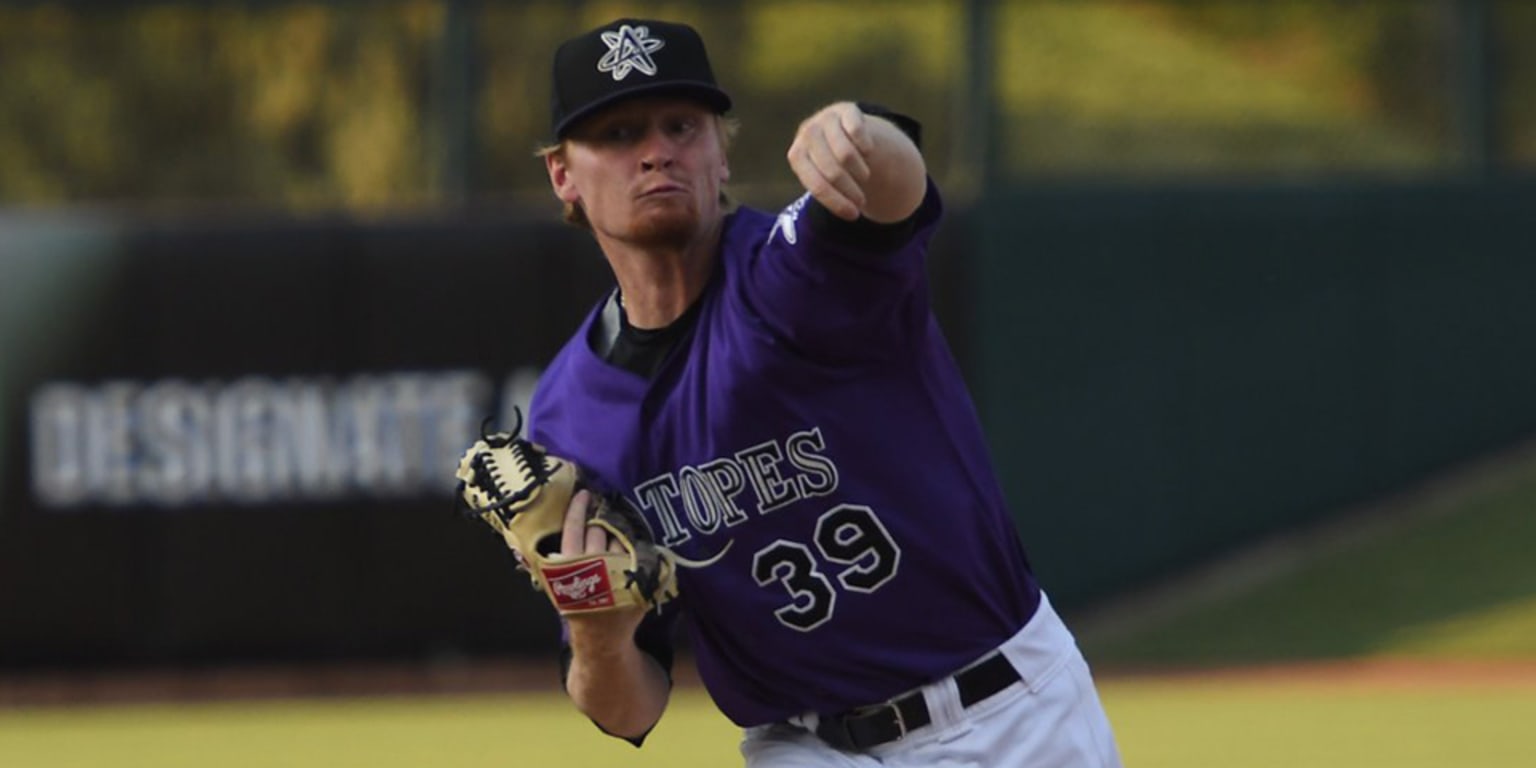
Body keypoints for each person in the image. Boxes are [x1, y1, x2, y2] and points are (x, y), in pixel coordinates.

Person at [525, 17, 1123, 767]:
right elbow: (628, 711)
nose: (655, 152)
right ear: (563, 175)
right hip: (801, 746)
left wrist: (859, 131)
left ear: (720, 151)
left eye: (682, 125)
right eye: (616, 134)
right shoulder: (567, 418)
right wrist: (597, 636)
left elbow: (892, 196)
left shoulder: (794, 271)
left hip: (1005, 714)